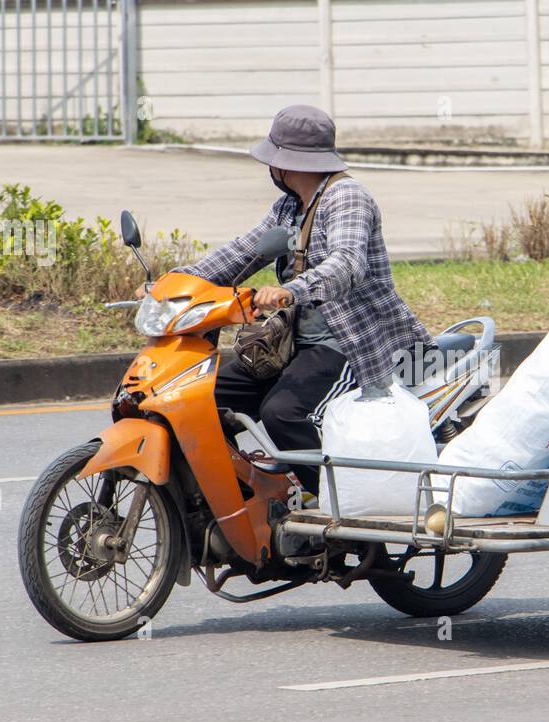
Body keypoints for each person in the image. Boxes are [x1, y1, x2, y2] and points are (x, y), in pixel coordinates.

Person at [171, 105, 435, 494]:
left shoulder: (347, 197)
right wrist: (172, 284)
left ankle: (345, 522)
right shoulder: (289, 207)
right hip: (294, 345)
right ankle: (248, 502)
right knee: (194, 399)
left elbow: (347, 264)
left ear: (285, 163)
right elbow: (243, 252)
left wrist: (289, 290)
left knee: (283, 413)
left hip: (352, 345)